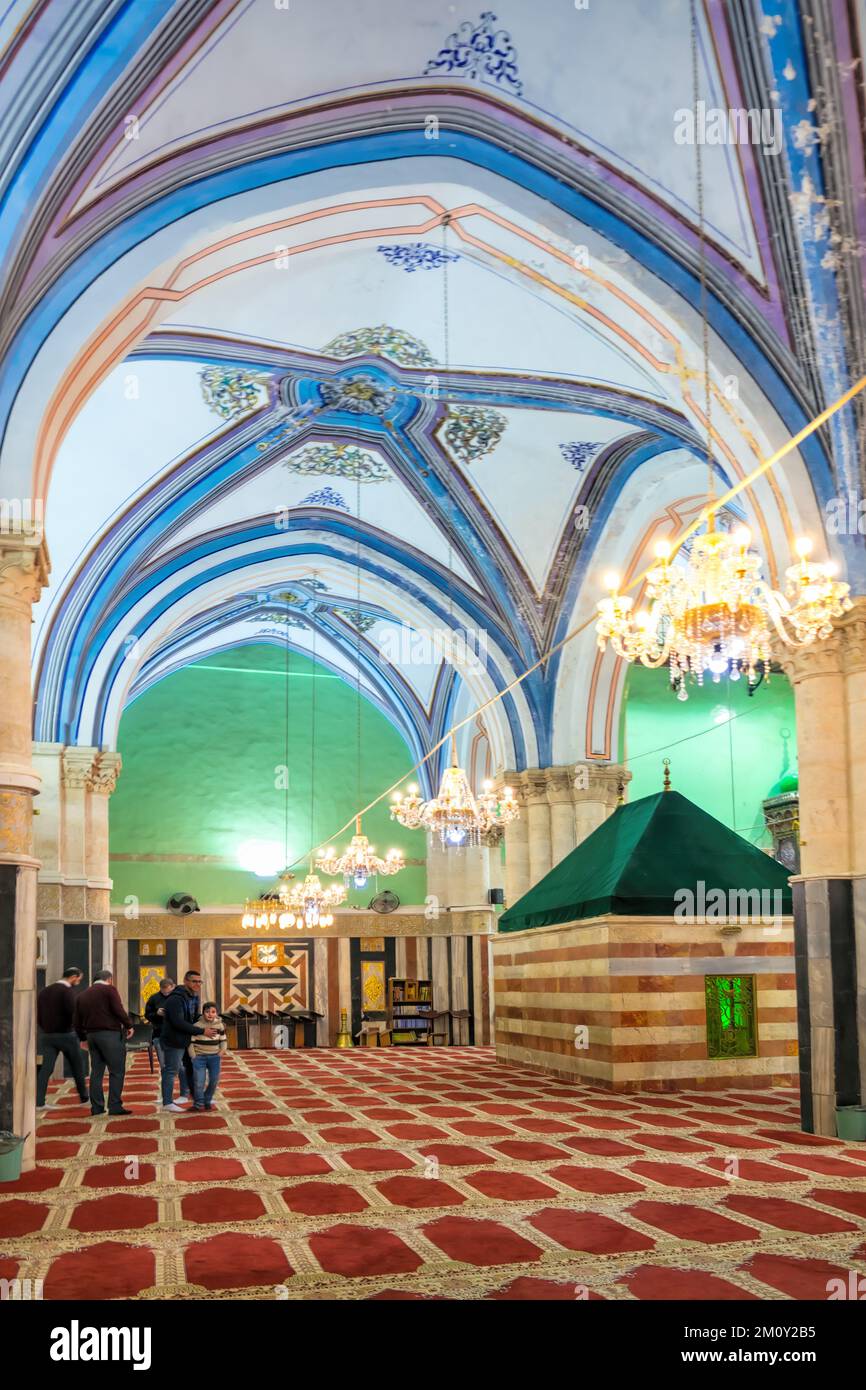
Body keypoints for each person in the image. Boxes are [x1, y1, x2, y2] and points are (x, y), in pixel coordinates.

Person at [72, 968, 135, 1116]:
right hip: (109, 1035)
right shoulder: (109, 990)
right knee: (117, 1071)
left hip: (92, 1036)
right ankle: (114, 1106)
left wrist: (82, 1038)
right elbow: (118, 1010)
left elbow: (76, 1021)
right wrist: (129, 1025)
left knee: (96, 1072)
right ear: (109, 979)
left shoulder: (82, 995)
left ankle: (97, 1107)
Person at [160, 970, 216, 1113]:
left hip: (186, 1039)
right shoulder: (175, 999)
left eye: (199, 981)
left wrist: (212, 1021)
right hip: (174, 1040)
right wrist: (202, 1031)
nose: (197, 984)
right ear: (186, 981)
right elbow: (178, 1022)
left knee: (191, 1069)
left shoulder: (193, 996)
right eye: (194, 981)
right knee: (171, 1070)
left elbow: (193, 1017)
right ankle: (167, 1102)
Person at [36, 966, 89, 1109]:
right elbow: (74, 1015)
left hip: (47, 1036)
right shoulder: (67, 992)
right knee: (77, 1067)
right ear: (73, 976)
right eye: (79, 979)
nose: (78, 981)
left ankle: (39, 1102)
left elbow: (39, 1016)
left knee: (46, 1069)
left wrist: (46, 1029)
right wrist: (81, 1035)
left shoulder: (44, 991)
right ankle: (84, 1099)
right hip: (66, 1035)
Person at [145, 977, 191, 1103]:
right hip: (159, 1036)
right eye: (163, 992)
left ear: (173, 986)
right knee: (165, 1067)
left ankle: (184, 1094)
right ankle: (166, 1096)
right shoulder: (154, 998)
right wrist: (156, 1014)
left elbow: (188, 1015)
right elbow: (147, 1015)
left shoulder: (181, 998)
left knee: (180, 1066)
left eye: (168, 992)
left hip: (177, 1036)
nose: (166, 994)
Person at [189, 1002, 227, 1111]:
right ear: (203, 1013)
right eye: (207, 1012)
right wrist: (193, 1056)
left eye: (213, 1012)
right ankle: (198, 1104)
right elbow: (190, 1042)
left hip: (215, 1057)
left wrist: (221, 1052)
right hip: (199, 1057)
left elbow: (223, 1040)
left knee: (214, 1080)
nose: (210, 1014)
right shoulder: (197, 1026)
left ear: (216, 1013)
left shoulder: (220, 1025)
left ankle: (207, 1100)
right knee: (199, 1082)